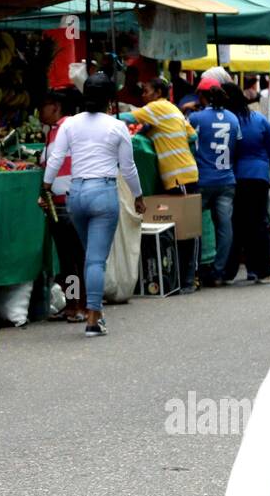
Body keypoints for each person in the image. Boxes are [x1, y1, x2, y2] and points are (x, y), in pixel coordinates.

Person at [43, 73, 144, 337]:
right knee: (95, 260)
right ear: (110, 100)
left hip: (76, 194)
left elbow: (54, 159)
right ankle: (93, 316)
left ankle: (89, 310)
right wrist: (138, 194)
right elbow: (128, 167)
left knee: (89, 256)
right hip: (103, 192)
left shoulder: (70, 124)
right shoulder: (116, 126)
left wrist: (45, 186)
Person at [135, 77, 200, 292]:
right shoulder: (173, 110)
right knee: (183, 228)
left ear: (157, 93)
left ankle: (188, 280)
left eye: (146, 90)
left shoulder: (156, 107)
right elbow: (192, 136)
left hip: (179, 176)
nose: (143, 95)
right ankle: (184, 279)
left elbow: (126, 116)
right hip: (185, 173)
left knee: (186, 229)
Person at [221, 82, 270, 284]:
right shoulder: (259, 119)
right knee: (258, 223)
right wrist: (264, 167)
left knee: (236, 224)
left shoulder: (228, 123)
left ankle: (229, 272)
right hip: (259, 176)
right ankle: (261, 271)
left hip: (236, 176)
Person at [37, 89, 86, 323]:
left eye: (43, 106)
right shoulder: (55, 132)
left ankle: (81, 304)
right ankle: (76, 304)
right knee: (71, 259)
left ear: (55, 106)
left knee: (75, 258)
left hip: (69, 202)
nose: (40, 112)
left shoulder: (66, 128)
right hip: (60, 204)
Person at [189, 77, 240, 287]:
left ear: (203, 96)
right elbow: (236, 147)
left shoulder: (196, 118)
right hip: (227, 180)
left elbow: (188, 141)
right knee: (224, 227)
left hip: (203, 180)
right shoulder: (233, 119)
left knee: (193, 226)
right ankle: (219, 272)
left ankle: (195, 270)